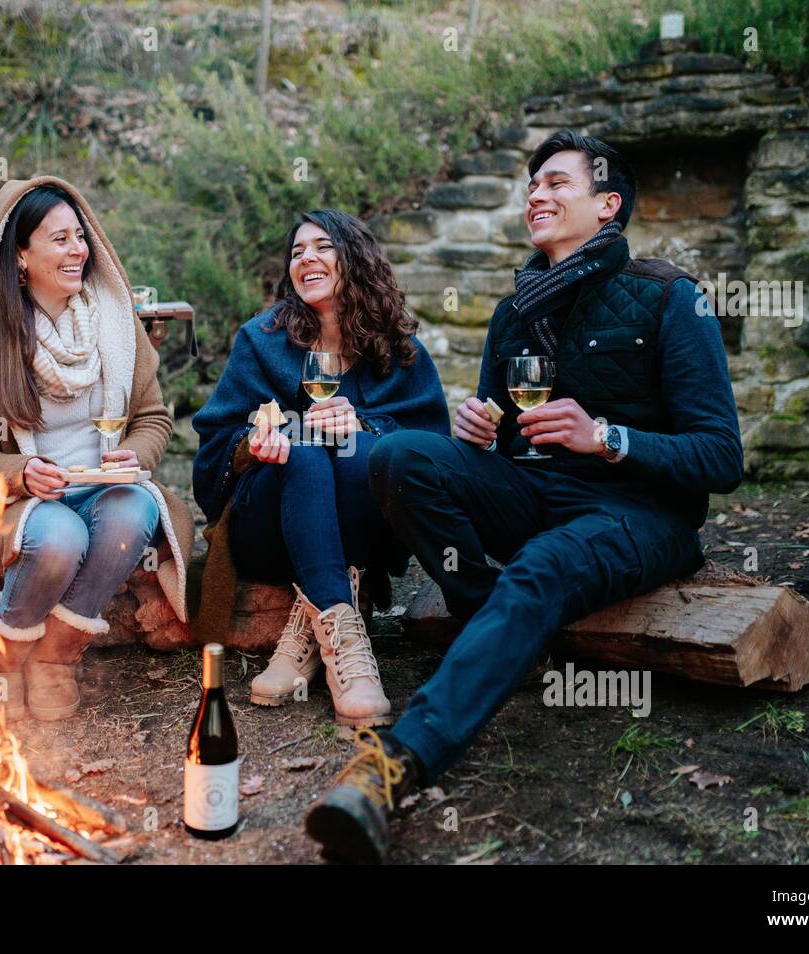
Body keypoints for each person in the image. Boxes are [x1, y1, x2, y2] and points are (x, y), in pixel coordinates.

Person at [305, 131, 744, 862]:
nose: (535, 195)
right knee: (400, 454)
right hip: (536, 488)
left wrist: (606, 436)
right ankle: (491, 612)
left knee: (543, 566)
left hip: (636, 514)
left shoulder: (670, 296)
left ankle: (390, 768)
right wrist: (480, 433)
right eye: (532, 185)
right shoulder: (514, 313)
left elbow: (722, 457)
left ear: (607, 205)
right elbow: (503, 432)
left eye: (556, 184)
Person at [0, 176, 194, 722]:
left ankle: (56, 657)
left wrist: (136, 456)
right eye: (59, 239)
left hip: (103, 489)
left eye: (80, 236)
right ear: (21, 256)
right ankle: (4, 657)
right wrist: (20, 472)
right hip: (27, 503)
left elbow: (153, 419)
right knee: (61, 535)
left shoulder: (115, 322)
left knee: (136, 510)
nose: (78, 249)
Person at [191, 209, 450, 728]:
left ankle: (310, 634)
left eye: (322, 246)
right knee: (303, 448)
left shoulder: (399, 353)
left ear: (355, 258)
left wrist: (368, 425)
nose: (305, 257)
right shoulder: (260, 340)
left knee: (358, 452)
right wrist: (250, 445)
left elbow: (434, 452)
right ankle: (350, 651)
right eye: (296, 251)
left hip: (367, 528)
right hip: (269, 528)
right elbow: (211, 456)